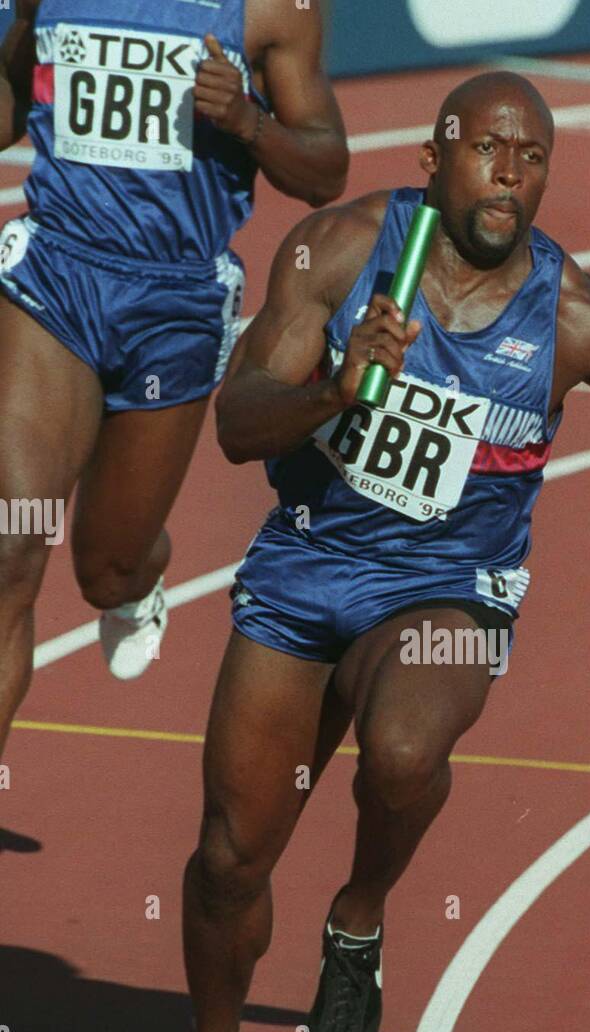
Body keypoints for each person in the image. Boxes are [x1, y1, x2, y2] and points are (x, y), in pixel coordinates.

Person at [124, 71, 590, 1032]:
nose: (510, 178)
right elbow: (235, 422)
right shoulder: (337, 250)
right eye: (490, 151)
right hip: (307, 569)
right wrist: (334, 390)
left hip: (446, 587)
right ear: (435, 154)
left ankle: (358, 917)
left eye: (532, 159)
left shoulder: (577, 317)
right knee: (230, 858)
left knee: (407, 746)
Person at [0, 0, 348, 755]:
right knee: (10, 547)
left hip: (174, 302)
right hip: (54, 277)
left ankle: (138, 577)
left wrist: (249, 122)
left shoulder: (267, 12)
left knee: (106, 566)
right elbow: (14, 96)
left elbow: (326, 168)